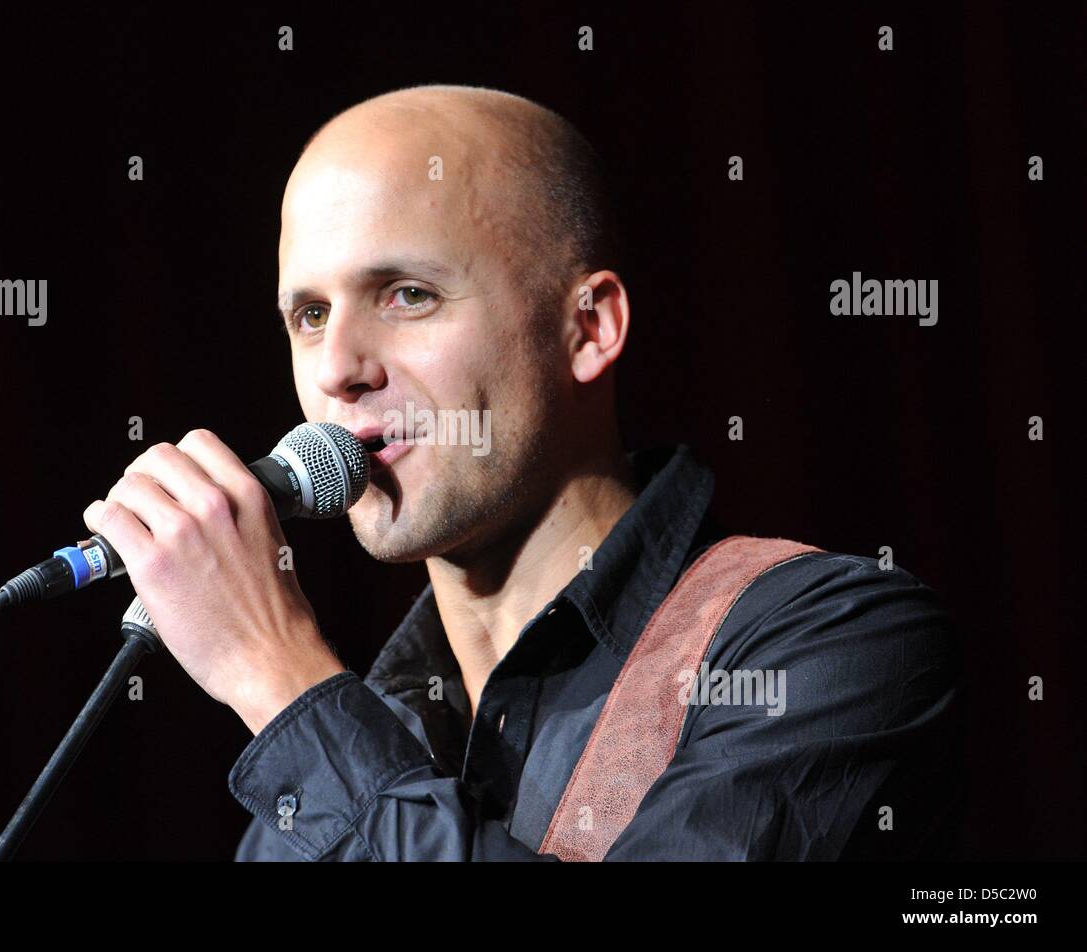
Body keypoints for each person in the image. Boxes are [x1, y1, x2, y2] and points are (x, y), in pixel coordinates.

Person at [82, 84, 963, 861]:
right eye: (310, 315)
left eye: (408, 295)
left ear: (588, 329)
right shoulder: (307, 806)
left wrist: (271, 669)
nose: (337, 369)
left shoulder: (831, 643)